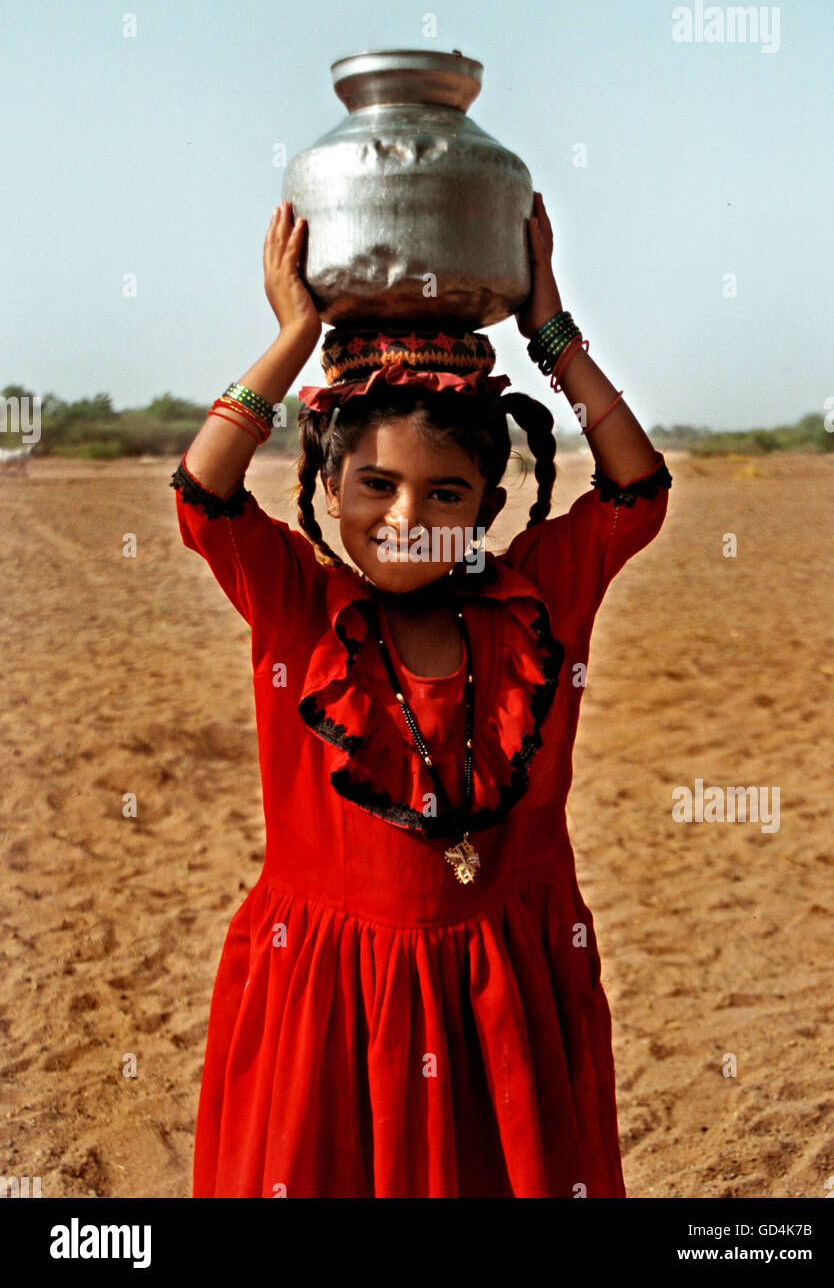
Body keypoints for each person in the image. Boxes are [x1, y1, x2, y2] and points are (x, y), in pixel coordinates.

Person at [170, 194, 672, 1198]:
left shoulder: (534, 602)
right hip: (329, 994)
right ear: (326, 486)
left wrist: (552, 333)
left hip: (499, 989)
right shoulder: (298, 606)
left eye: (444, 493)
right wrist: (292, 338)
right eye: (374, 486)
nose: (406, 518)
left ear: (485, 503)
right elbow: (202, 492)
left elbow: (635, 491)